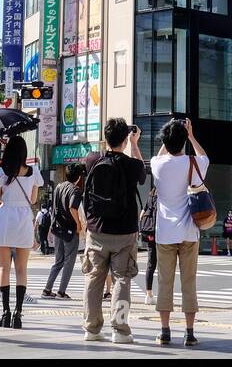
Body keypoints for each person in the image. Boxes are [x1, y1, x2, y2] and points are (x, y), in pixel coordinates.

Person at [81, 117, 147, 343]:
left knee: (94, 278)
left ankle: (91, 329)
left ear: (106, 137)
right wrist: (135, 144)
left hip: (96, 230)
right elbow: (142, 174)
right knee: (122, 280)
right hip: (124, 232)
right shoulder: (132, 164)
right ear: (125, 138)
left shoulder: (92, 160)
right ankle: (119, 330)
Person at [150, 117, 207, 346]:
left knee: (164, 281)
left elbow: (162, 153)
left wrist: (171, 134)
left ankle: (164, 331)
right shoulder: (194, 162)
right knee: (188, 282)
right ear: (184, 140)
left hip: (164, 232)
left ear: (165, 141)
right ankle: (189, 332)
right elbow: (205, 156)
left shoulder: (158, 163)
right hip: (189, 231)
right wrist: (191, 135)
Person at [0, 135, 41, 329]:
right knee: (22, 268)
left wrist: (4, 194)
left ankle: (5, 312)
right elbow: (34, 199)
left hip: (5, 217)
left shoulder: (1, 173)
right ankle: (18, 313)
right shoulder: (33, 171)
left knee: (4, 268)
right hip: (23, 219)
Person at [42, 163, 85, 300]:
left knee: (58, 260)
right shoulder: (76, 190)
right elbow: (73, 208)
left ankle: (47, 289)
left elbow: (54, 209)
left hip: (57, 228)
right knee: (69, 261)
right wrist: (78, 224)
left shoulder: (58, 187)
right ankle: (61, 292)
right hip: (70, 230)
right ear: (78, 177)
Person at [139, 183, 158, 304]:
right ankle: (163, 294)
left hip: (150, 232)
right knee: (165, 265)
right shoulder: (163, 197)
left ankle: (149, 294)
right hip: (161, 233)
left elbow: (142, 213)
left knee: (151, 264)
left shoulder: (151, 196)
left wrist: (141, 228)